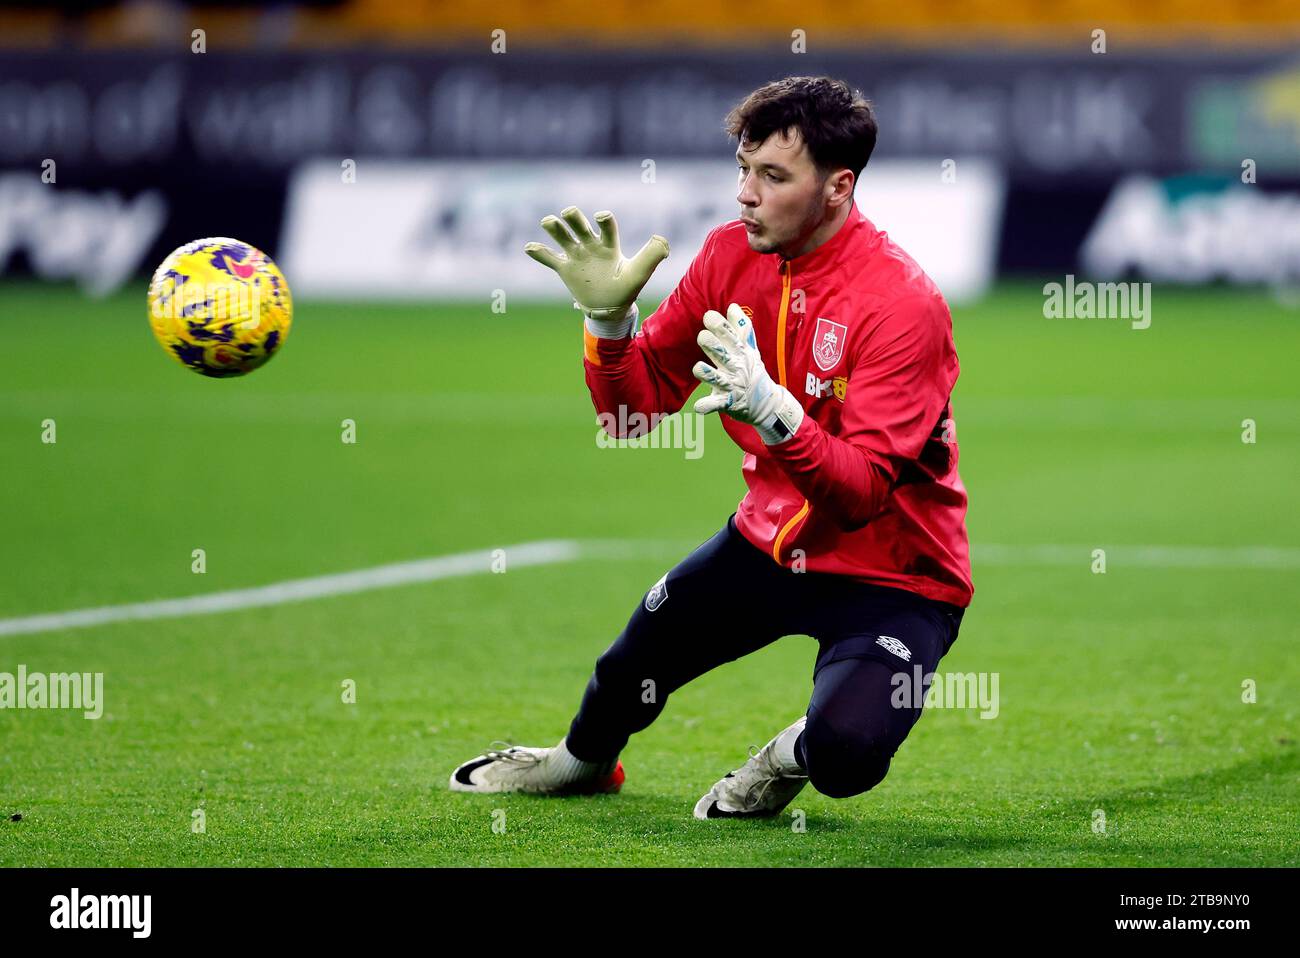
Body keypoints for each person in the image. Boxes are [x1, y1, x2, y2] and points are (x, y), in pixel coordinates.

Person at [450, 75, 973, 818]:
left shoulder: (902, 305)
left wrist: (777, 415)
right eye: (742, 170)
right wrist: (609, 325)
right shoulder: (731, 256)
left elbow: (860, 495)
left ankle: (785, 756)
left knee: (847, 753)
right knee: (627, 669)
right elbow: (632, 413)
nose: (745, 195)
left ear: (838, 186)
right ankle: (578, 764)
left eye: (772, 176)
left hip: (897, 576)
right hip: (766, 543)